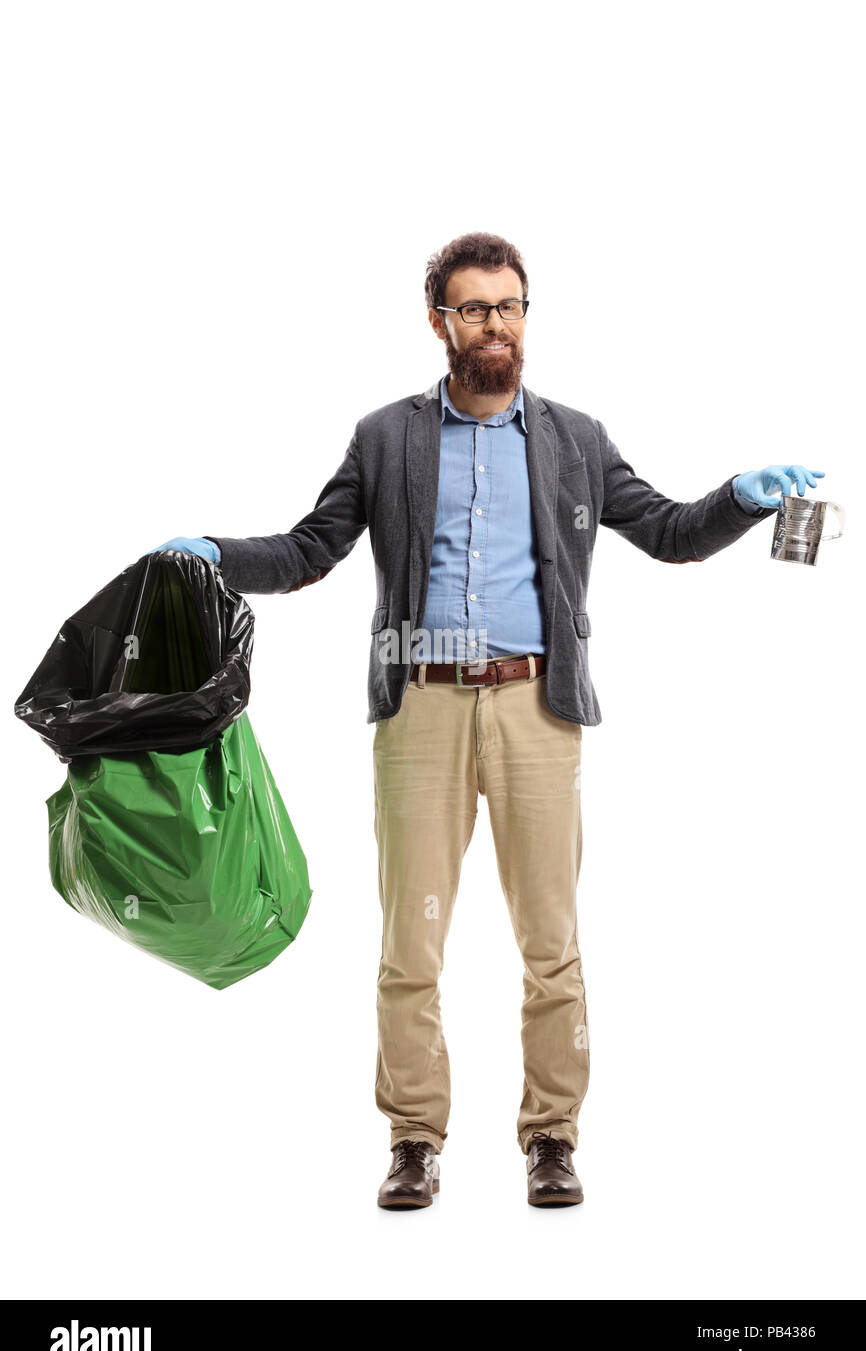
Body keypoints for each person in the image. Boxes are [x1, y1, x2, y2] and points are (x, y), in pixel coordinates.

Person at [155, 231, 824, 1210]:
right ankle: (414, 1137)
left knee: (549, 939)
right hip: (418, 707)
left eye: (509, 305)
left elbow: (670, 532)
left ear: (524, 314)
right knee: (409, 942)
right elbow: (309, 549)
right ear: (439, 322)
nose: (495, 324)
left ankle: (551, 1135)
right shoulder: (386, 438)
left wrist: (735, 499)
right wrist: (214, 552)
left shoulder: (573, 441)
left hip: (535, 709)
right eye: (473, 308)